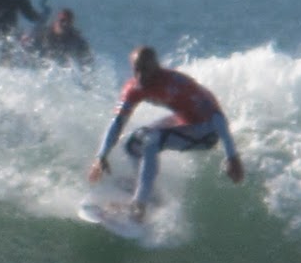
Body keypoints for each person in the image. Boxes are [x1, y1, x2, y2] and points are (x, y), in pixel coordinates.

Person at [87, 46, 243, 220]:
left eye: (145, 69)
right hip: (185, 121)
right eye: (136, 69)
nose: (140, 75)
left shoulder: (178, 83)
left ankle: (139, 204)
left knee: (152, 139)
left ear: (156, 67)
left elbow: (217, 117)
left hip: (207, 131)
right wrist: (101, 156)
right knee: (133, 144)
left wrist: (231, 156)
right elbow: (118, 122)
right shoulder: (134, 88)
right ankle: (149, 192)